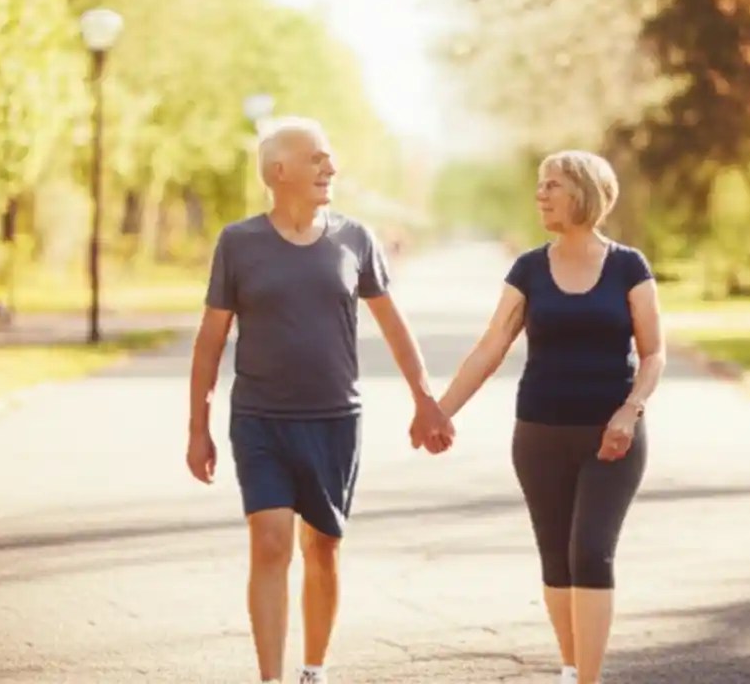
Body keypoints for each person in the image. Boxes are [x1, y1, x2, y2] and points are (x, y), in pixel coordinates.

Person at [185, 116, 453, 684]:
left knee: (324, 548)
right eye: (318, 158)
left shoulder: (355, 239)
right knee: (271, 540)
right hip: (259, 419)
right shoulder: (238, 243)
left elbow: (394, 325)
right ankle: (271, 679)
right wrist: (197, 428)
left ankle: (313, 668)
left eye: (330, 159)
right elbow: (210, 340)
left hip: (334, 419)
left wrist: (426, 399)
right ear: (279, 171)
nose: (331, 168)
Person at [433, 150, 666, 684]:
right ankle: (571, 667)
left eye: (552, 185)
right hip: (539, 434)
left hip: (612, 438)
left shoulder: (629, 266)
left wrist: (630, 411)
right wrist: (441, 410)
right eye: (540, 185)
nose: (540, 194)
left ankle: (588, 678)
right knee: (557, 560)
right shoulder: (529, 269)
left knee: (591, 552)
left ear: (583, 192)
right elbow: (492, 344)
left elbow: (653, 352)